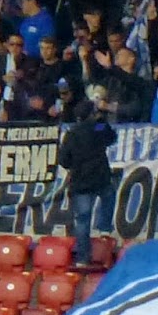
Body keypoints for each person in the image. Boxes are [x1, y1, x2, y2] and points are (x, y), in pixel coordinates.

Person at [58, 98, 118, 269]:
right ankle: (104, 227)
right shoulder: (98, 127)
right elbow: (111, 138)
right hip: (100, 177)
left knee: (83, 221)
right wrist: (102, 120)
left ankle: (82, 259)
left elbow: (63, 160)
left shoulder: (71, 134)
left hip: (80, 181)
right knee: (109, 196)